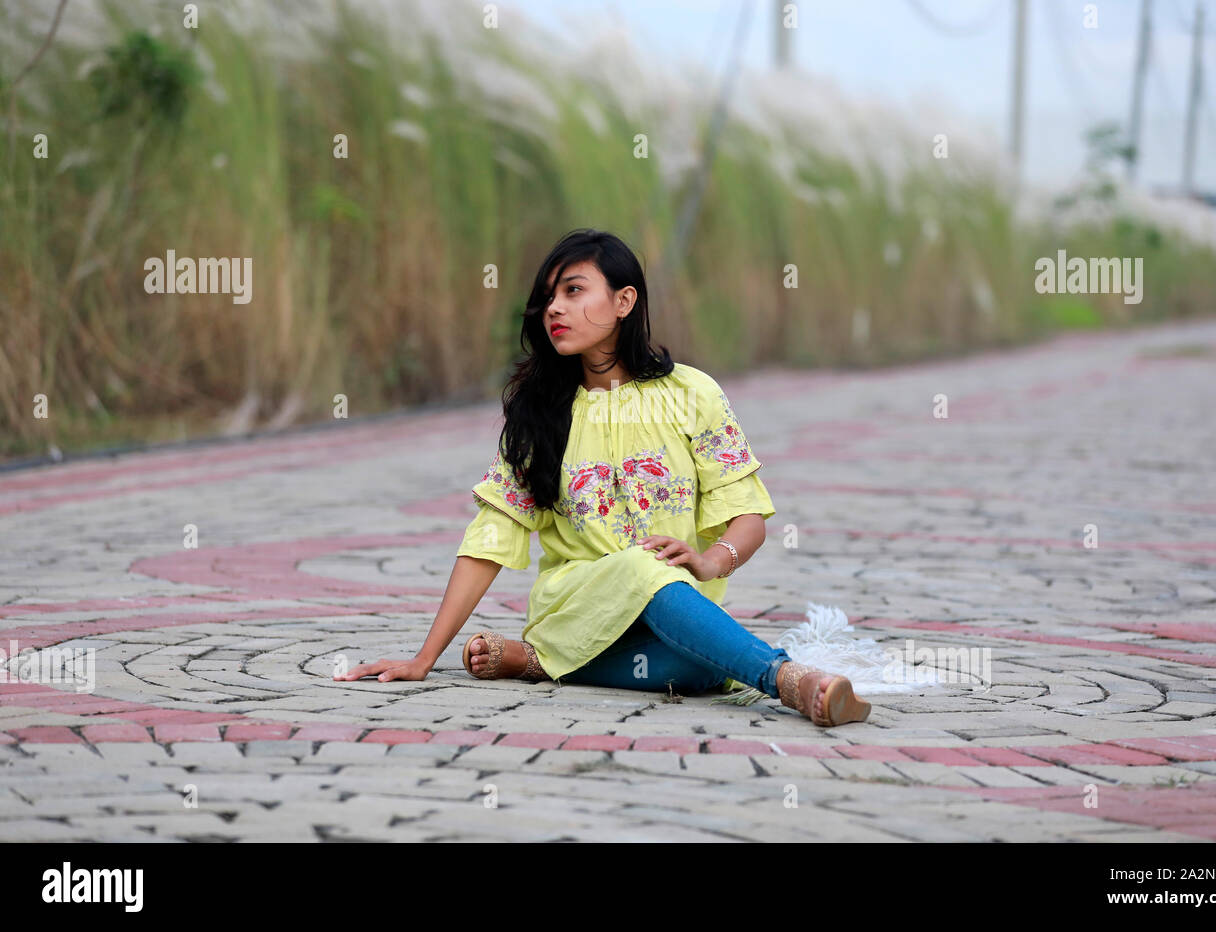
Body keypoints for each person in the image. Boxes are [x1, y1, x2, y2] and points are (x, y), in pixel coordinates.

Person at [336, 228, 870, 726]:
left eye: (573, 291)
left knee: (708, 669)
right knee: (645, 567)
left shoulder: (692, 394)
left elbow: (747, 516)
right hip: (577, 605)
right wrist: (424, 658)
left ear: (624, 302)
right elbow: (490, 538)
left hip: (675, 609)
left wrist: (711, 560)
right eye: (549, 298)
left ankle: (536, 661)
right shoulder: (540, 411)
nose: (555, 309)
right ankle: (786, 679)